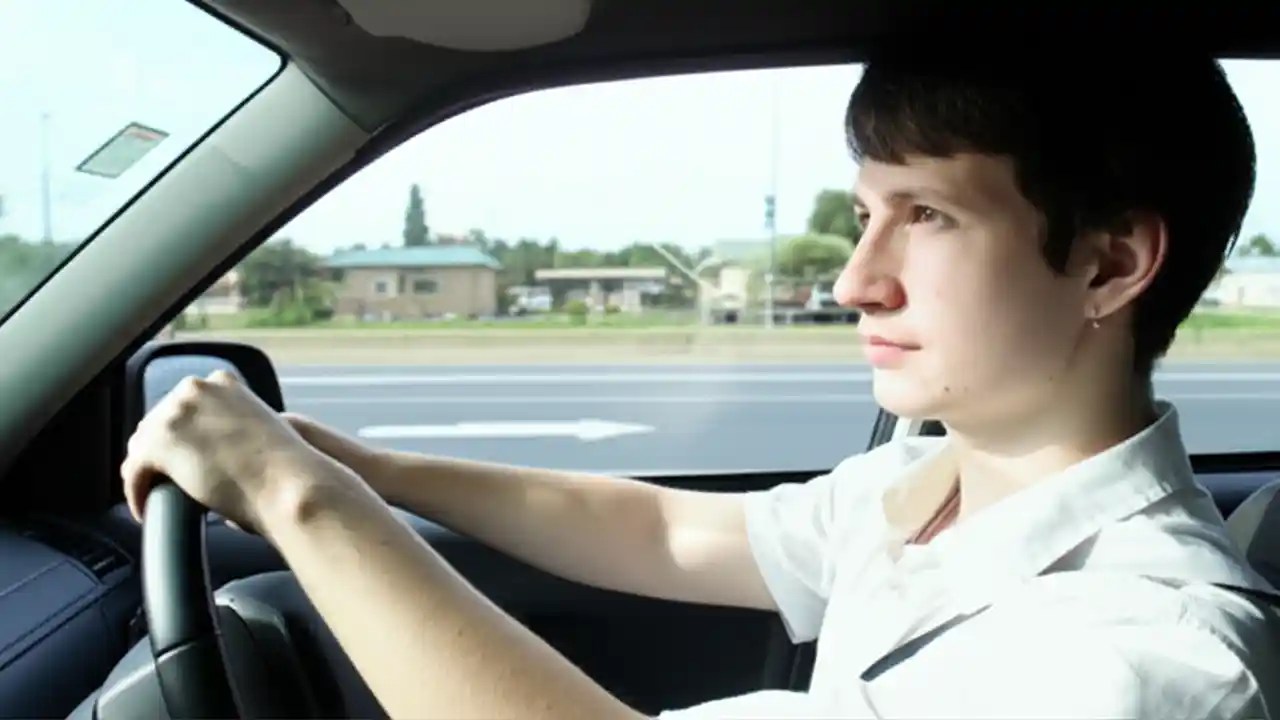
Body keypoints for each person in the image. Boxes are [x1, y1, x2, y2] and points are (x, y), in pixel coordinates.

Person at [122, 41, 1280, 719]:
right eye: (866, 215)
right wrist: (365, 469)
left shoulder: (1137, 653)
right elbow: (665, 530)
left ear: (1109, 261)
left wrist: (301, 502)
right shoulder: (934, 487)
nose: (853, 282)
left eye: (925, 217)